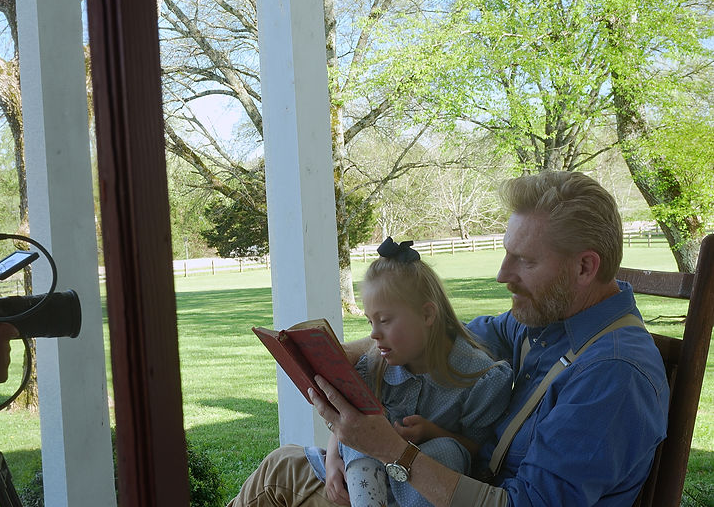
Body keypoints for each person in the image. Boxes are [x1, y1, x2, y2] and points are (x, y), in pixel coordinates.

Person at [230, 170, 669, 507]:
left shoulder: (614, 376)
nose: (502, 275)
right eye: (505, 252)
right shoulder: (546, 321)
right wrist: (336, 359)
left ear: (584, 268)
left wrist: (389, 448)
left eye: (525, 261)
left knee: (278, 480)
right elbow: (437, 336)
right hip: (442, 485)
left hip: (455, 491)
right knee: (285, 465)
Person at [303, 237, 511, 507]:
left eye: (385, 320)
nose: (373, 334)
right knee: (363, 434)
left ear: (427, 315)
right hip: (370, 491)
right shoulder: (375, 366)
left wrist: (431, 431)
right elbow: (349, 426)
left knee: (444, 451)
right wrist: (332, 461)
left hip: (430, 490)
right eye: (370, 321)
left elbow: (479, 452)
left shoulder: (479, 377)